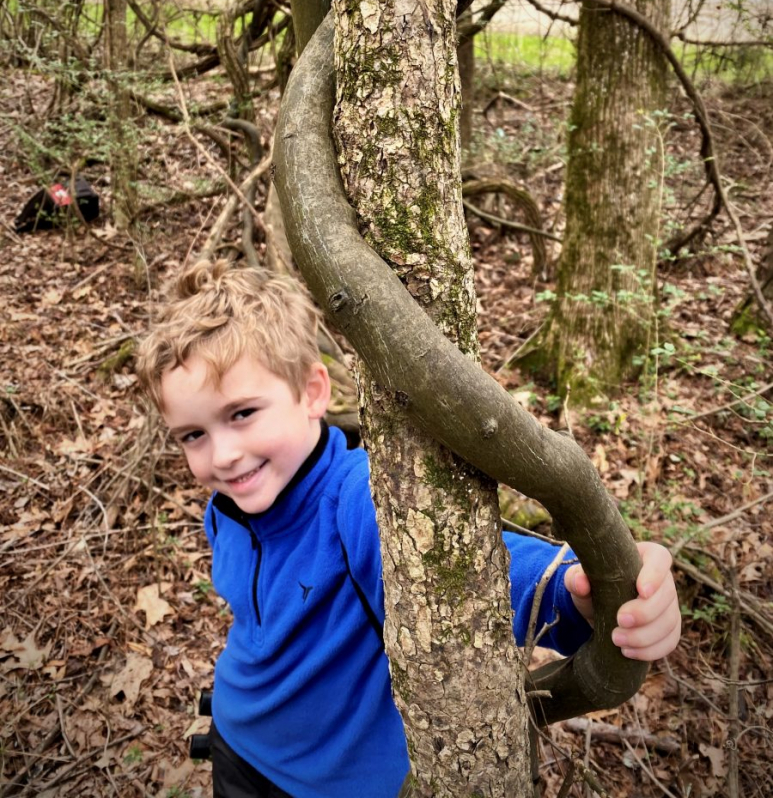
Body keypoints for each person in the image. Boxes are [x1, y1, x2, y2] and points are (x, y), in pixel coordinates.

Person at [136, 260, 681, 798]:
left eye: (242, 414)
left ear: (311, 392)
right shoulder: (224, 509)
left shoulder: (359, 500)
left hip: (334, 785)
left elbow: (470, 567)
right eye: (192, 435)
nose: (223, 456)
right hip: (237, 742)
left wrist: (586, 591)